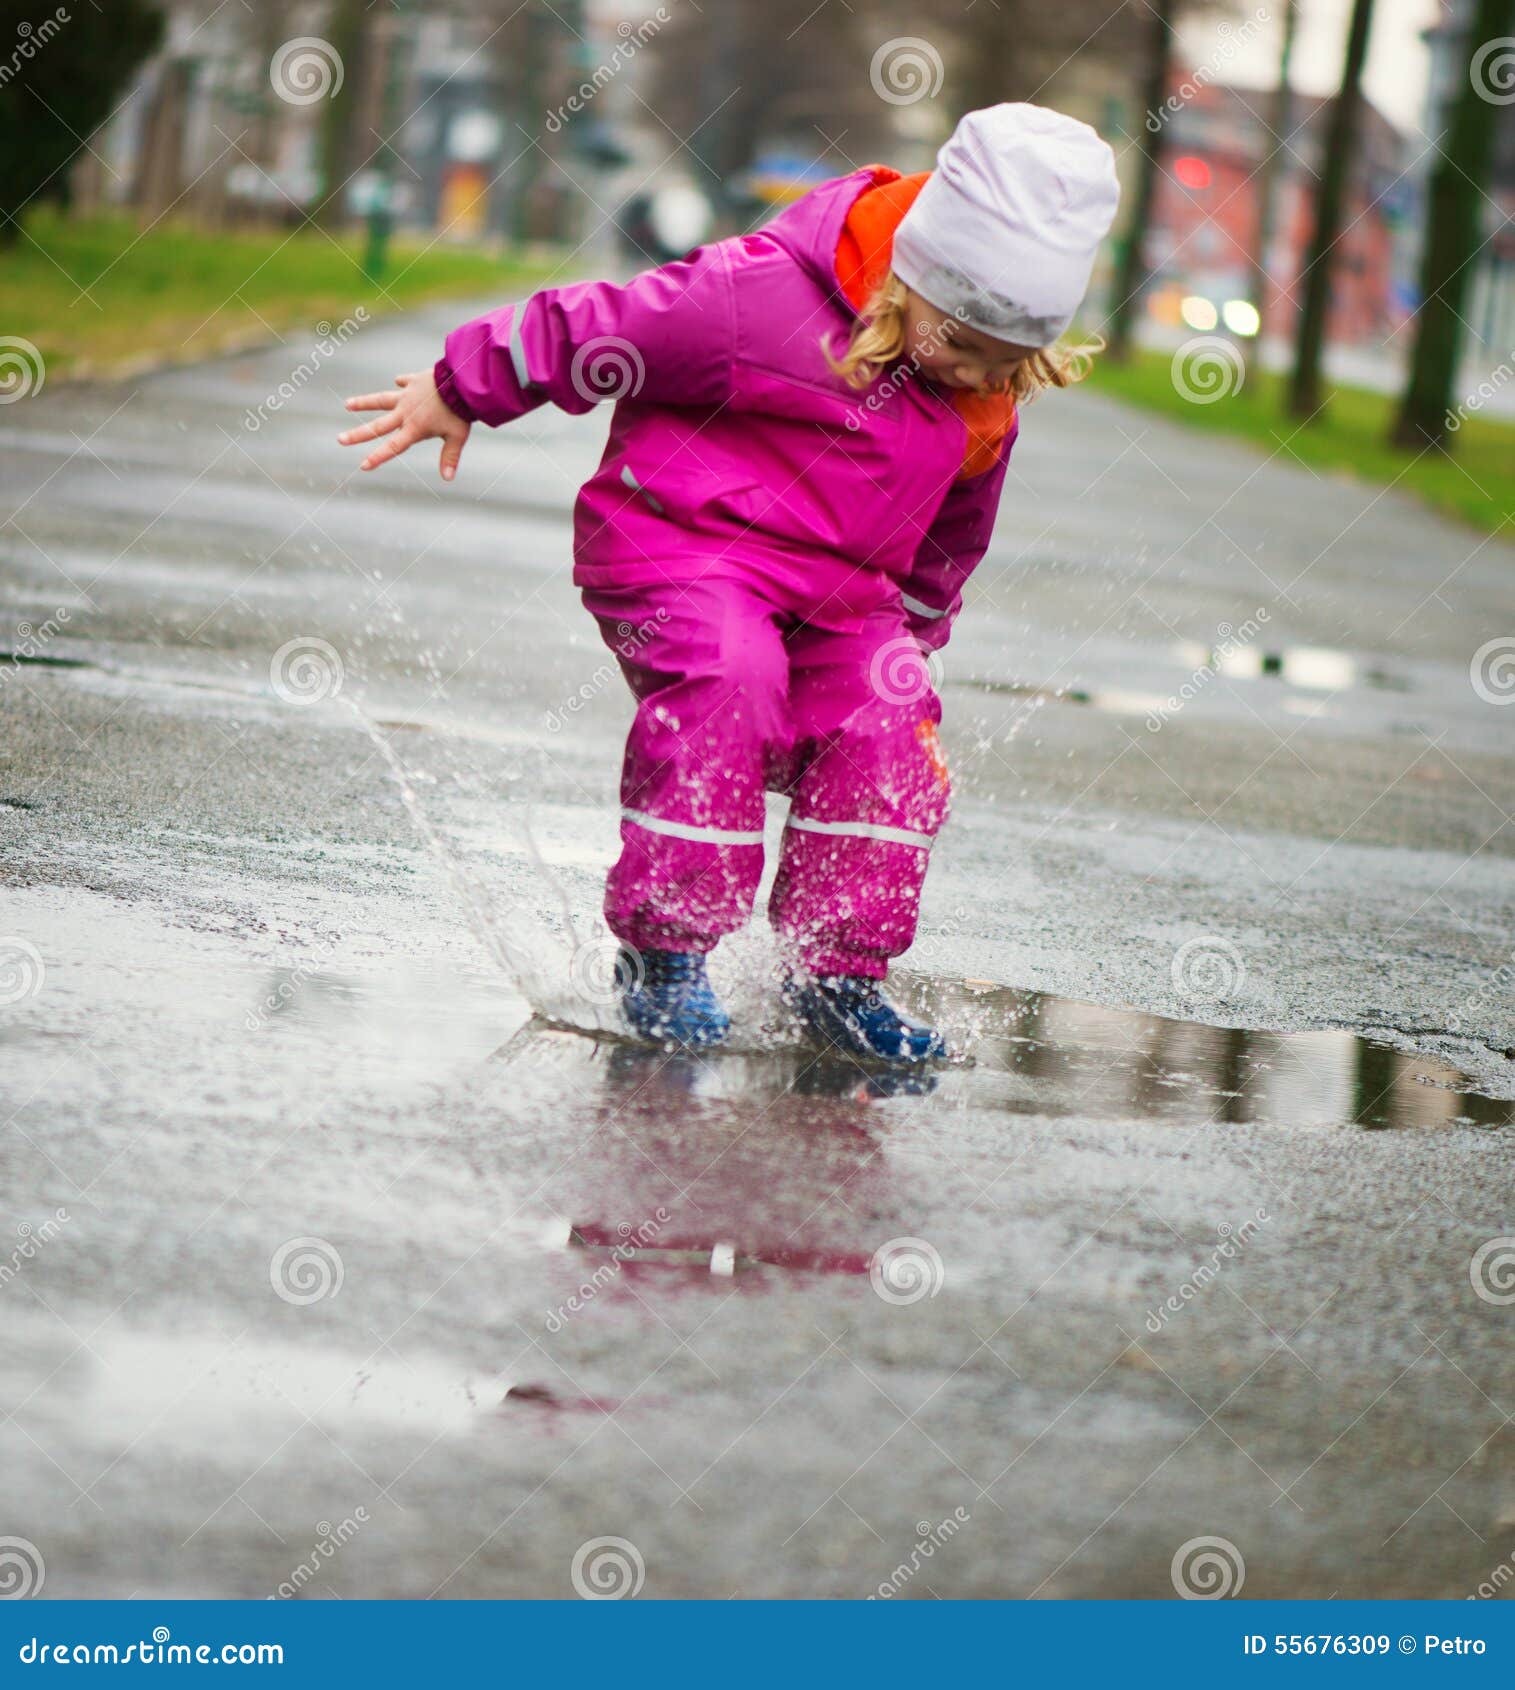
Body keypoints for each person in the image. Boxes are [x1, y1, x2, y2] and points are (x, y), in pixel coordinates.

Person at [337, 103, 1120, 1064]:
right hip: (681, 547)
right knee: (727, 675)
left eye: (1000, 361)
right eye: (959, 341)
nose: (971, 372)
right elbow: (602, 324)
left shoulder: (980, 397)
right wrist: (462, 386)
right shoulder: (759, 298)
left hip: (839, 601)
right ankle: (663, 953)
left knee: (890, 726)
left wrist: (914, 642)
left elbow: (953, 537)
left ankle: (835, 974)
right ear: (909, 278)